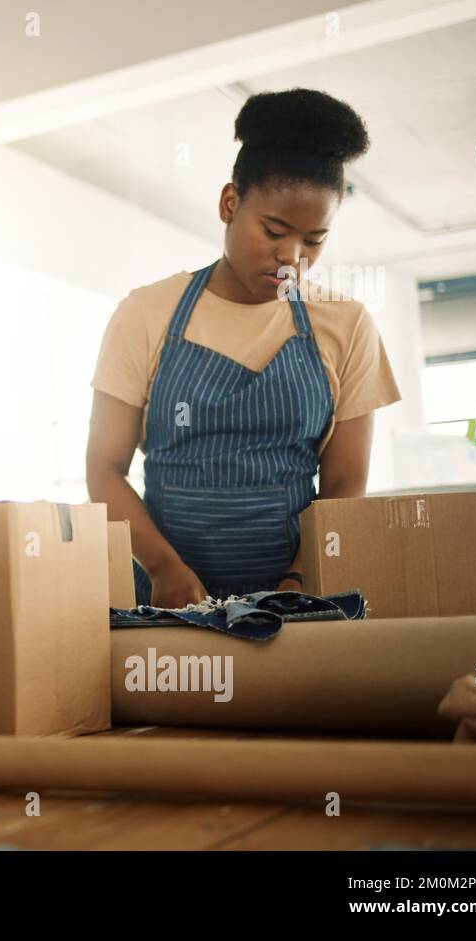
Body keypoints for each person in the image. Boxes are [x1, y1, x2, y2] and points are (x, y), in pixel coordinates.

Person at [86, 88, 401, 608]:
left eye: (314, 240)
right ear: (229, 203)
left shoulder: (347, 324)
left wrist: (300, 578)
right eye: (274, 230)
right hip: (163, 601)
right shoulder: (145, 314)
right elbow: (103, 467)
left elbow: (344, 481)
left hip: (296, 602)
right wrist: (165, 567)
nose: (292, 259)